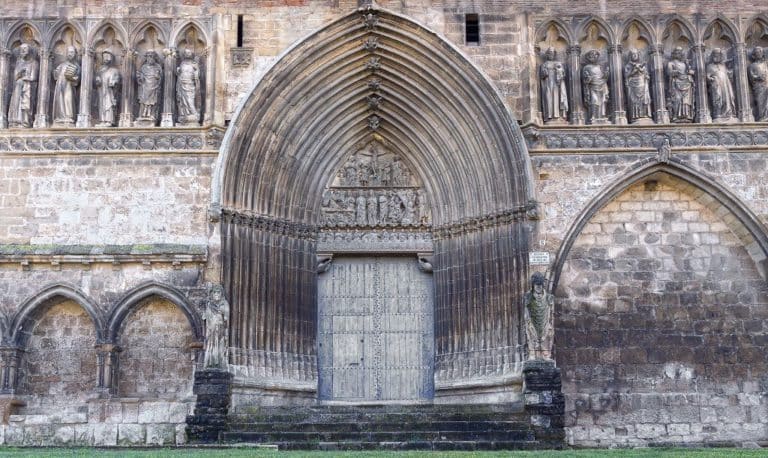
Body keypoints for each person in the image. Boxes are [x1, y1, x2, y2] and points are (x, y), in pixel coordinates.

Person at [524, 272, 554, 360]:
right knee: (531, 333)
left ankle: (546, 354)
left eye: (540, 285)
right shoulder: (528, 297)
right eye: (537, 285)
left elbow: (551, 313)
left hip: (545, 320)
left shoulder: (549, 297)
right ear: (533, 285)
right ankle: (532, 353)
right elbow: (526, 312)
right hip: (533, 321)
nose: (538, 287)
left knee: (548, 333)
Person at [8, 43, 38, 128]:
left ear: (30, 50)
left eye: (25, 48)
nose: (23, 50)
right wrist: (20, 73)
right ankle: (16, 122)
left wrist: (25, 77)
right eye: (21, 49)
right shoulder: (19, 63)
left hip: (28, 87)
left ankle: (26, 122)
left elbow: (34, 77)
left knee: (26, 105)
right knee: (17, 103)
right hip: (18, 88)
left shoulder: (34, 63)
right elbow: (15, 77)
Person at [52, 46, 81, 126]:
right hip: (60, 85)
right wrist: (55, 73)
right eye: (68, 52)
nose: (70, 54)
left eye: (72, 52)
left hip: (69, 86)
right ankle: (60, 117)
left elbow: (77, 80)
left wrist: (72, 78)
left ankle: (69, 117)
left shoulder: (76, 66)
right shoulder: (62, 65)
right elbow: (55, 75)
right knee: (60, 100)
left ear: (75, 54)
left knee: (68, 100)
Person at [203, 284, 230, 369]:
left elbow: (226, 317)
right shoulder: (209, 304)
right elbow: (206, 317)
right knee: (211, 344)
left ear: (221, 294)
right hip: (211, 329)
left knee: (219, 344)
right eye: (215, 292)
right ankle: (210, 362)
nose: (216, 294)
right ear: (212, 294)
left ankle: (219, 362)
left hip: (220, 328)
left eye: (218, 292)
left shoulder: (224, 304)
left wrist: (221, 313)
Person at [666, 47, 695, 123]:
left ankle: (686, 115)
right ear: (674, 54)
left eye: (680, 52)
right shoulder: (671, 63)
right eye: (677, 52)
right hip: (676, 84)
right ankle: (676, 115)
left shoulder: (684, 63)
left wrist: (689, 69)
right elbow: (669, 72)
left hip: (686, 83)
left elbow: (689, 71)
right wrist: (674, 72)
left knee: (686, 100)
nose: (679, 54)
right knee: (677, 99)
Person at [540, 47, 568, 123]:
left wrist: (559, 71)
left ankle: (558, 116)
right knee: (548, 98)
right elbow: (542, 75)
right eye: (549, 53)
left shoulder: (558, 63)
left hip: (557, 84)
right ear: (547, 54)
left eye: (552, 53)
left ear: (554, 54)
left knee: (557, 98)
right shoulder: (545, 64)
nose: (551, 55)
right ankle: (549, 116)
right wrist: (544, 72)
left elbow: (563, 74)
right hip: (548, 83)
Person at [706, 47, 735, 121]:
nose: (717, 56)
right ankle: (717, 114)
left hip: (725, 86)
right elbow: (707, 76)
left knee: (727, 98)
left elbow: (727, 74)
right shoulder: (710, 66)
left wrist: (730, 73)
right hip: (716, 86)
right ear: (712, 56)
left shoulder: (723, 66)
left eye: (718, 55)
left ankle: (728, 114)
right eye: (715, 55)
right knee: (718, 99)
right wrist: (710, 79)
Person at [624, 48, 652, 123]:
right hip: (633, 85)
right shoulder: (628, 66)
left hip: (642, 84)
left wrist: (644, 74)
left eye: (636, 54)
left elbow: (647, 75)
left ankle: (645, 115)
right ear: (630, 56)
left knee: (644, 99)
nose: (634, 56)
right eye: (633, 54)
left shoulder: (642, 65)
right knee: (634, 101)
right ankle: (635, 116)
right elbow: (626, 76)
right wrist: (634, 71)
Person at [581, 49, 609, 124]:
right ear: (589, 57)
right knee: (594, 101)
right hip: (592, 87)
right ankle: (593, 116)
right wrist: (588, 79)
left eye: (595, 55)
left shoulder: (600, 67)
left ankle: (601, 116)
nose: (594, 57)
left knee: (603, 101)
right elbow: (585, 80)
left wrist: (606, 75)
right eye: (592, 55)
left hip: (602, 85)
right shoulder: (586, 67)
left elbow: (603, 77)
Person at [94, 50, 121, 127]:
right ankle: (102, 120)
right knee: (102, 104)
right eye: (104, 56)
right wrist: (97, 80)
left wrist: (114, 82)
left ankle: (109, 121)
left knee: (109, 105)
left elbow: (118, 80)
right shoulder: (100, 70)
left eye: (108, 56)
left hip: (110, 91)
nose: (106, 58)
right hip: (101, 91)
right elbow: (95, 81)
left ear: (111, 58)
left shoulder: (114, 70)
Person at [135, 50, 162, 124]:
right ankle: (143, 114)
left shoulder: (158, 67)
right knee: (144, 100)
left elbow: (160, 77)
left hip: (154, 86)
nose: (150, 59)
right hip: (145, 86)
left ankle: (151, 114)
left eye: (152, 57)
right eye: (149, 57)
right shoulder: (143, 67)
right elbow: (139, 76)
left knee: (152, 101)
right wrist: (140, 77)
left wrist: (158, 77)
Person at [175, 48, 200, 125]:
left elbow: (197, 74)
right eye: (186, 53)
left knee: (190, 100)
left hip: (190, 85)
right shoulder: (182, 63)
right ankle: (184, 115)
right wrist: (178, 71)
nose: (187, 54)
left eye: (189, 52)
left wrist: (196, 72)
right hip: (182, 83)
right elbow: (179, 74)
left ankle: (194, 114)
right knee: (183, 101)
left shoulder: (194, 64)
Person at [749, 47, 768, 121]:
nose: (758, 54)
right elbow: (751, 77)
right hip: (758, 86)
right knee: (760, 101)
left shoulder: (765, 64)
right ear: (754, 55)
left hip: (766, 84)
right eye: (757, 53)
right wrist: (758, 77)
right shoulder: (752, 66)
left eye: (760, 52)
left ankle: (766, 115)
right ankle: (762, 116)